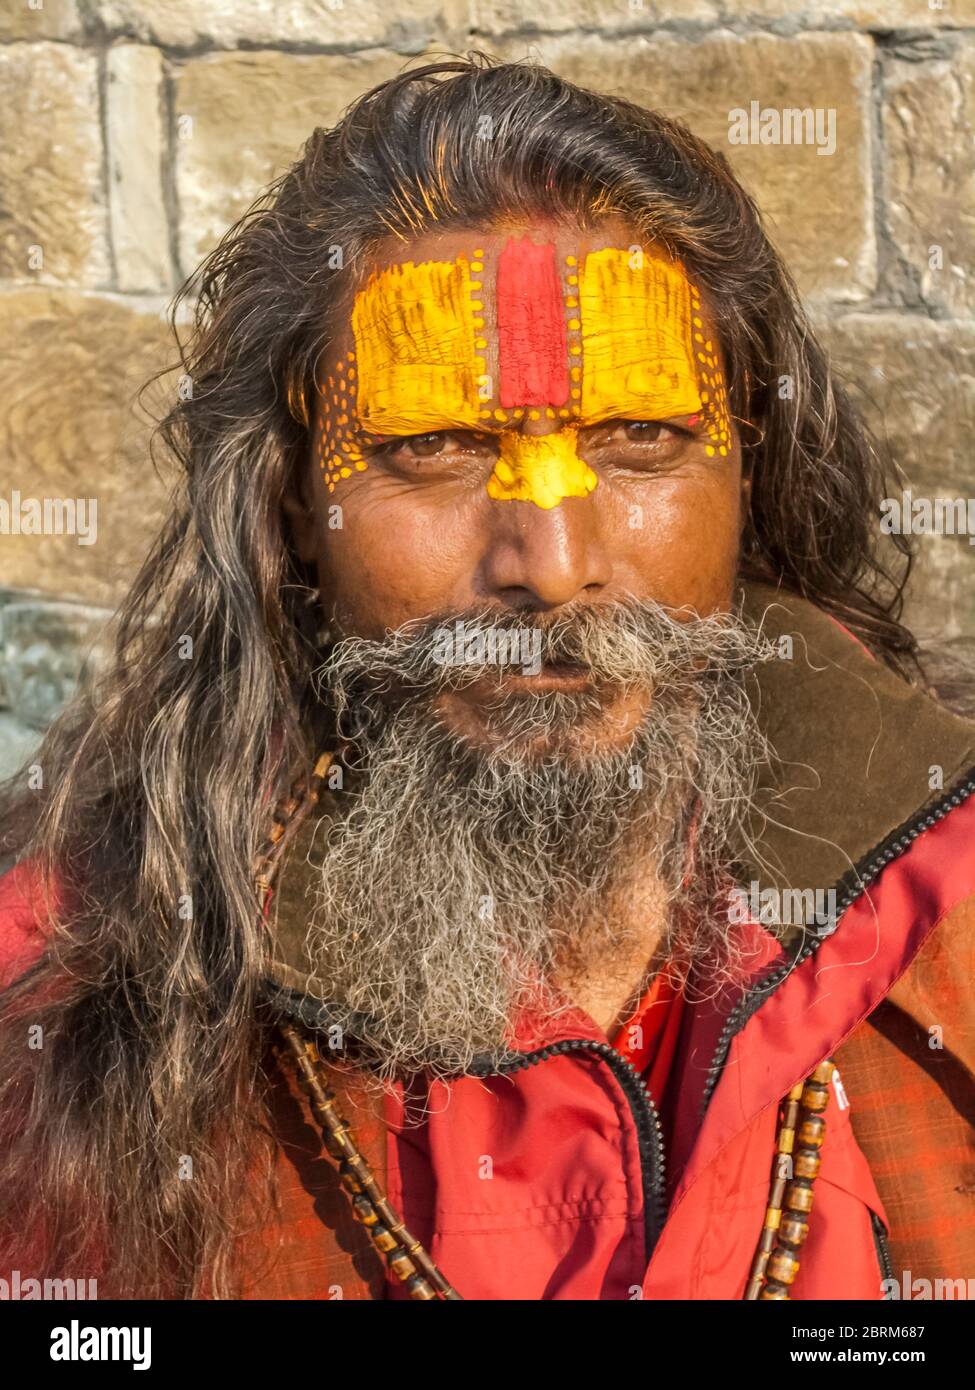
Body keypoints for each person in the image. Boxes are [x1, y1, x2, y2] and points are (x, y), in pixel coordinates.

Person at [1, 54, 973, 1302]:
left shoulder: (943, 907)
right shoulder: (71, 985)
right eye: (435, 448)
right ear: (292, 503)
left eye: (642, 440)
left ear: (750, 469)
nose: (552, 567)